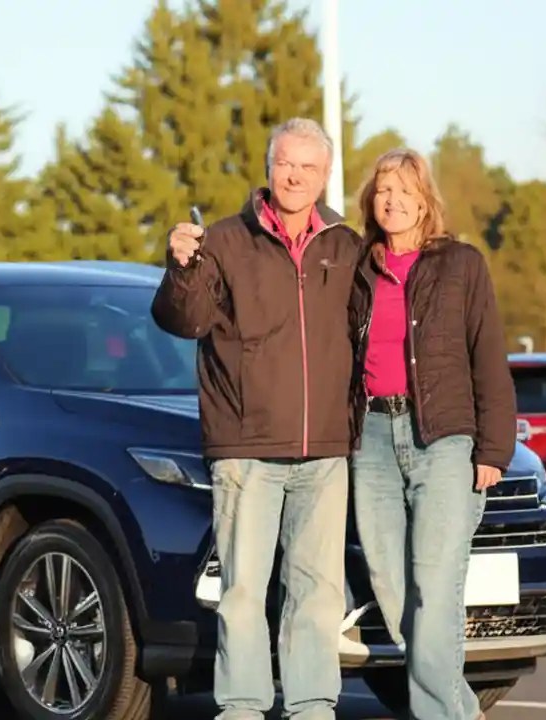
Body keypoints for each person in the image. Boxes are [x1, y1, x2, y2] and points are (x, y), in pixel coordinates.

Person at [151, 117, 366, 720]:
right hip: (246, 449)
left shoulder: (345, 246)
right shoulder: (223, 240)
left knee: (317, 593)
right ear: (269, 169)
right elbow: (182, 320)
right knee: (244, 591)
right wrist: (182, 266)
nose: (294, 175)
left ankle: (312, 706)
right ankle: (242, 706)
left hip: (324, 450)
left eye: (308, 166)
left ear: (325, 176)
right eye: (284, 163)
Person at [347, 148, 517, 720]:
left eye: (403, 190)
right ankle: (461, 712)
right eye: (382, 190)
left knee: (436, 590)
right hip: (371, 437)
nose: (391, 200)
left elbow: (488, 357)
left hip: (443, 440)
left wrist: (494, 448)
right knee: (395, 593)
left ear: (425, 201)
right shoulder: (359, 267)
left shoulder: (460, 265)